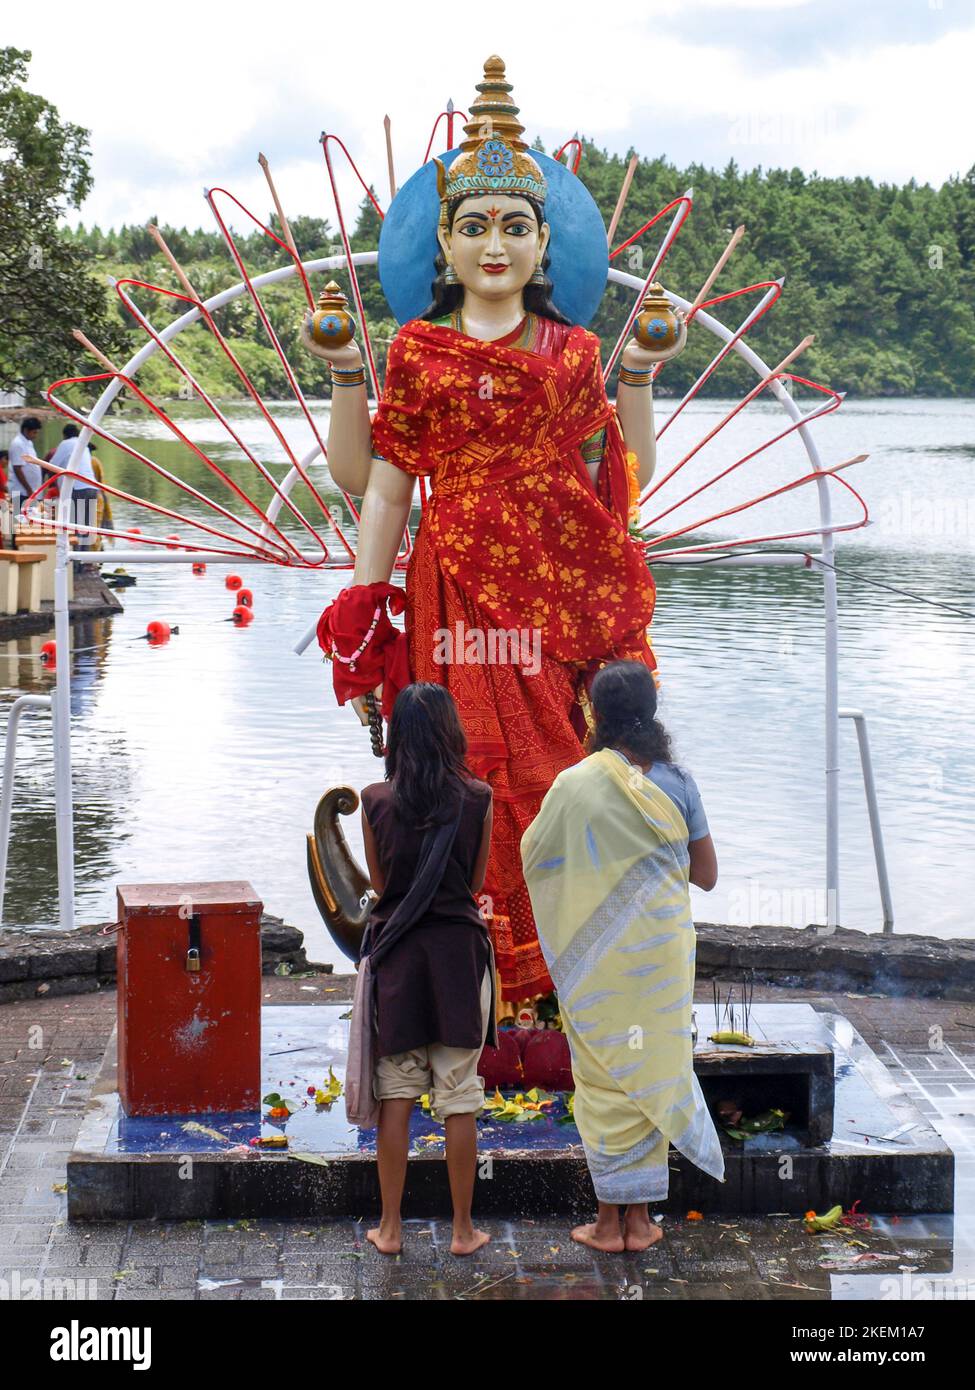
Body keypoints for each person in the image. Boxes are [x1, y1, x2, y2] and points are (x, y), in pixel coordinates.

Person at [303, 56, 687, 1008]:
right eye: (473, 225)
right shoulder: (419, 351)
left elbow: (618, 478)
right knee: (458, 764)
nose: (494, 245)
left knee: (561, 760)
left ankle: (559, 974)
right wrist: (365, 599)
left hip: (556, 584)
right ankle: (468, 971)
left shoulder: (573, 353)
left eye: (515, 225)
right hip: (453, 587)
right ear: (442, 240)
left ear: (543, 242)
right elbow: (382, 488)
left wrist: (638, 373)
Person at [521, 659, 725, 1252]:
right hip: (660, 957)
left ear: (595, 714)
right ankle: (639, 1223)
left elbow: (535, 857)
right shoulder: (679, 784)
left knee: (605, 1074)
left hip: (598, 961)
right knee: (653, 1069)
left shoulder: (575, 784)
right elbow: (706, 875)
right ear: (653, 712)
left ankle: (608, 1224)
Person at [359, 682, 496, 1257]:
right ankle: (463, 1231)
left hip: (399, 961)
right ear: (450, 733)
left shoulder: (374, 800)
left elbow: (382, 885)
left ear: (396, 738)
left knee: (397, 1095)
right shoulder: (478, 798)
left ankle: (390, 1230)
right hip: (458, 958)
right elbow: (475, 882)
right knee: (459, 1095)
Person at [7, 417, 44, 511]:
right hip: (21, 491)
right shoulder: (18, 444)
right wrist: (28, 489)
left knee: (31, 516)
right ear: (26, 430)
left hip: (30, 491)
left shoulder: (28, 442)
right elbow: (17, 469)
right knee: (19, 517)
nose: (35, 436)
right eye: (34, 432)